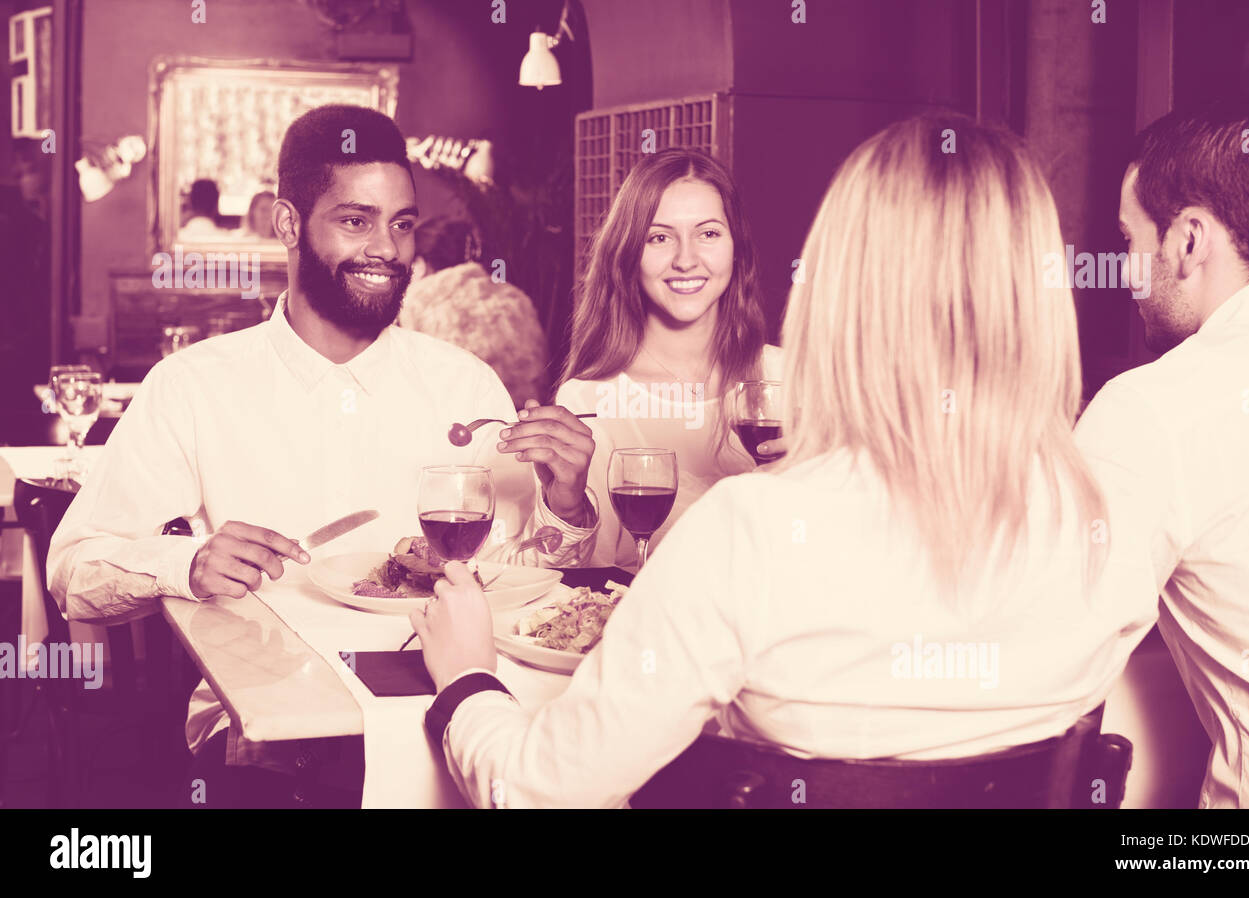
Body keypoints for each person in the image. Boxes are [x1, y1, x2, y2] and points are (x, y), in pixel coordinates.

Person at [408, 115, 1155, 808]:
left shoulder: (748, 533)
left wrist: (469, 680)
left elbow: (538, 790)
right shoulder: (1116, 524)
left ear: (839, 283)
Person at [47, 104, 599, 806]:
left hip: (456, 708)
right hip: (277, 743)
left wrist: (566, 503)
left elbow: (528, 581)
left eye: (401, 223)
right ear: (287, 225)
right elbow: (74, 569)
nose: (387, 249)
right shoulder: (195, 385)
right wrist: (186, 561)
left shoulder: (464, 381)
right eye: (354, 220)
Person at [1075, 95, 1249, 808]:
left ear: (1190, 240)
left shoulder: (1153, 406)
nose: (1127, 274)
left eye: (1130, 240)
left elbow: (1056, 645)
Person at [556, 148, 780, 567]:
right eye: (659, 237)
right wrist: (566, 506)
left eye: (708, 233)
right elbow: (583, 581)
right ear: (628, 255)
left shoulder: (791, 380)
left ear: (737, 247)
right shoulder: (587, 400)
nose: (685, 259)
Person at [398, 218, 549, 408]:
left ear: (418, 265)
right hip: (517, 418)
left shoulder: (418, 301)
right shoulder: (514, 298)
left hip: (456, 424)